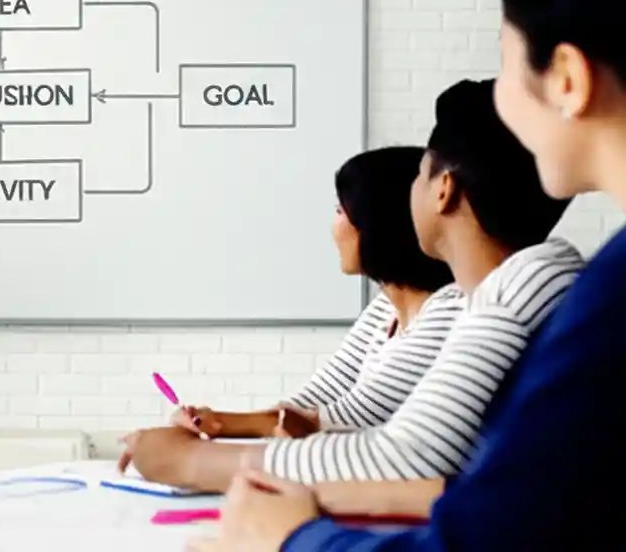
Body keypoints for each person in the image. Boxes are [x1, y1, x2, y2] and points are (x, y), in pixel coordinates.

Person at [196, 0, 626, 552]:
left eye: (507, 58)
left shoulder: (593, 287)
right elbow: (488, 499)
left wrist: (292, 537)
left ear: (567, 78)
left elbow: (477, 524)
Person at [121, 78, 578, 498]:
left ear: (444, 190)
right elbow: (398, 445)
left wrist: (188, 460)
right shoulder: (511, 286)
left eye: (420, 174)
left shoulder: (532, 277)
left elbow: (407, 457)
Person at [169, 146, 461, 441]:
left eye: (339, 211)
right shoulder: (384, 309)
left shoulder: (446, 308)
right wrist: (214, 421)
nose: (333, 227)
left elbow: (351, 419)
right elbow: (312, 401)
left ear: (376, 223)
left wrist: (223, 425)